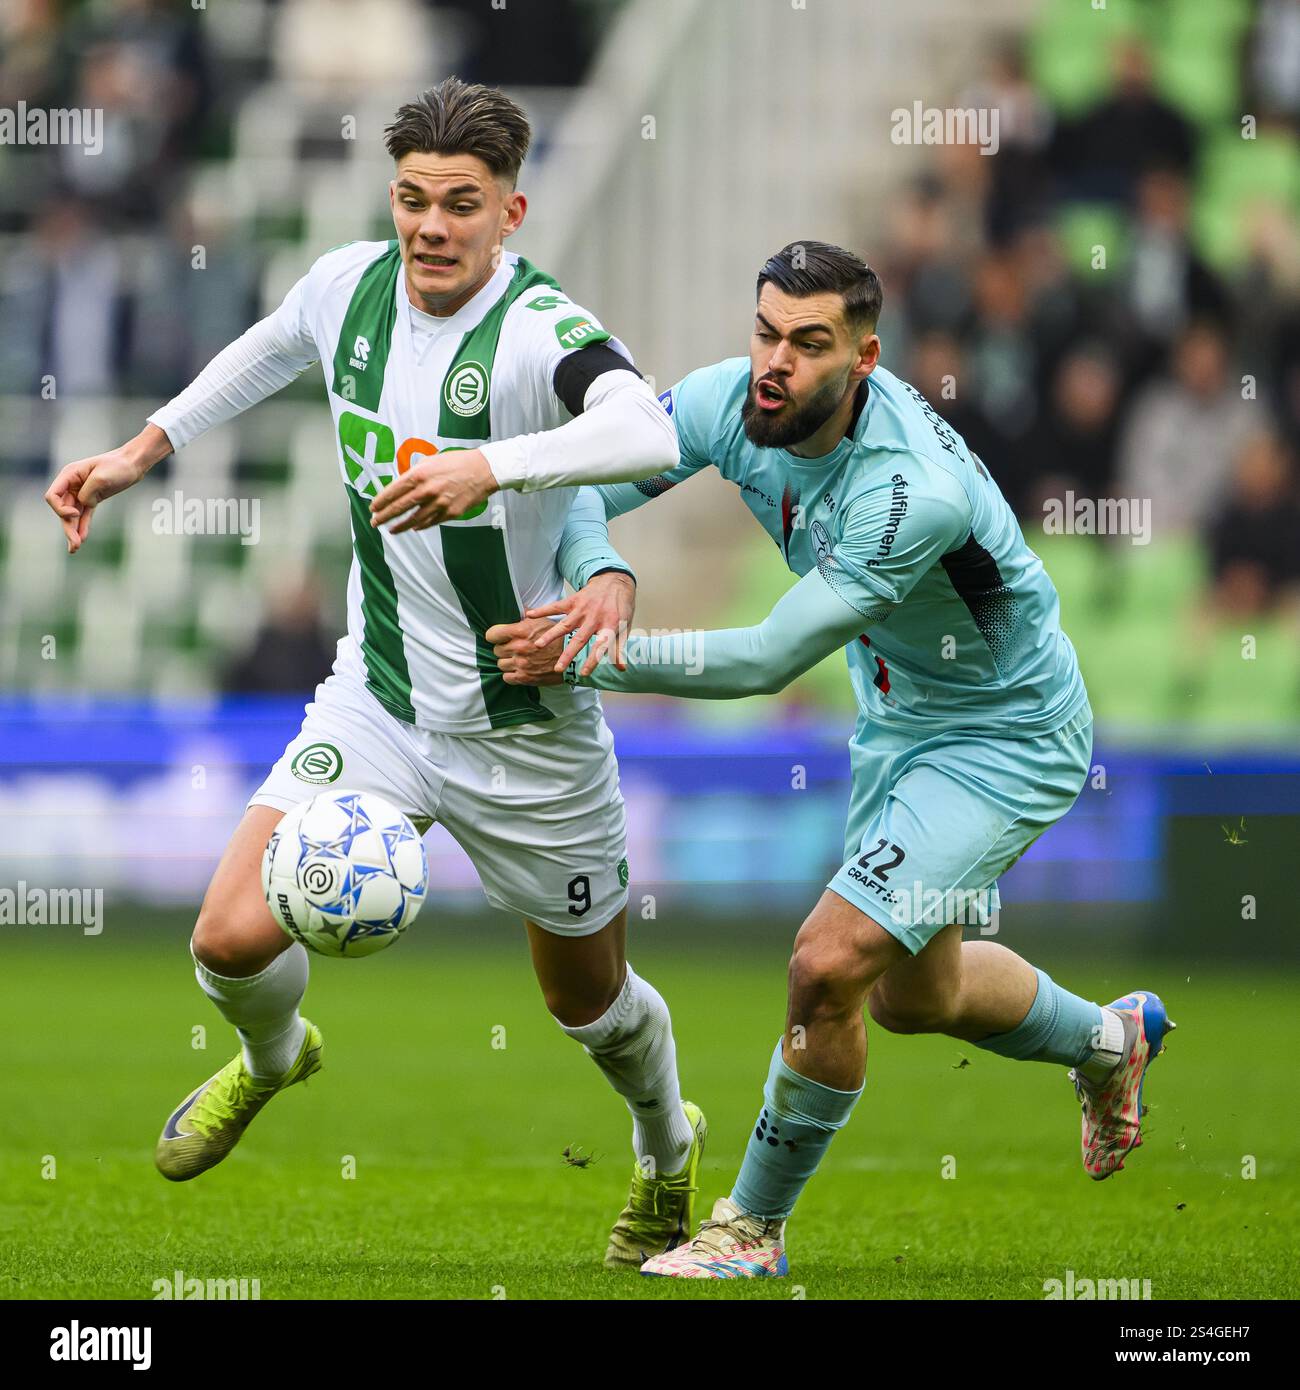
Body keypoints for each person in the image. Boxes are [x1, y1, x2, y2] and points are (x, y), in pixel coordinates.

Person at [43, 77, 705, 1271]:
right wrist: (146, 447)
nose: (430, 226)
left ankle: (666, 1150)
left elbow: (647, 430)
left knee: (588, 1007)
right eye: (412, 199)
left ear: (511, 213)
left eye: (461, 204)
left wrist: (491, 468)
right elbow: (265, 346)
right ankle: (273, 1057)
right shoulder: (348, 287)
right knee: (226, 939)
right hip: (383, 696)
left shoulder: (539, 332)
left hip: (529, 732)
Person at [489, 241, 1176, 1279]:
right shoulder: (733, 401)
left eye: (808, 345)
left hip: (1003, 735)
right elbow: (577, 486)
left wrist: (590, 653)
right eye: (765, 331)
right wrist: (604, 573)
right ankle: (1109, 1042)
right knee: (911, 998)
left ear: (862, 359)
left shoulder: (909, 491)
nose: (774, 361)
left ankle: (751, 1227)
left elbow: (766, 656)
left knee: (826, 964)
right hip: (897, 716)